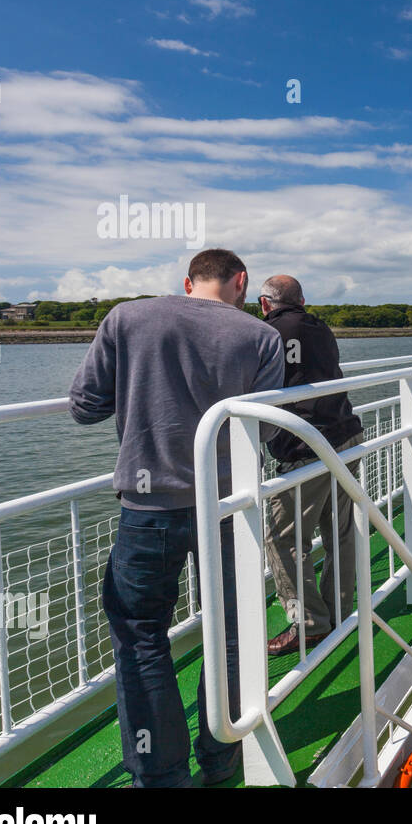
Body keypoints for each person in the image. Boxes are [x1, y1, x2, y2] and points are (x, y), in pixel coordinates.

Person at [68, 249, 285, 787]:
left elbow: (84, 406)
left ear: (188, 281)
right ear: (240, 282)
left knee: (142, 636)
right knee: (233, 634)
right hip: (229, 508)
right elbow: (272, 428)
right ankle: (222, 756)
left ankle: (162, 775)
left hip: (149, 509)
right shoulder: (261, 337)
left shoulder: (128, 317)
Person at [258, 275, 365, 657]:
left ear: (264, 302)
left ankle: (309, 623)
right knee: (341, 533)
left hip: (307, 444)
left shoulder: (265, 333)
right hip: (345, 436)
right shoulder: (321, 329)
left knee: (283, 538)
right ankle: (337, 611)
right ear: (302, 300)